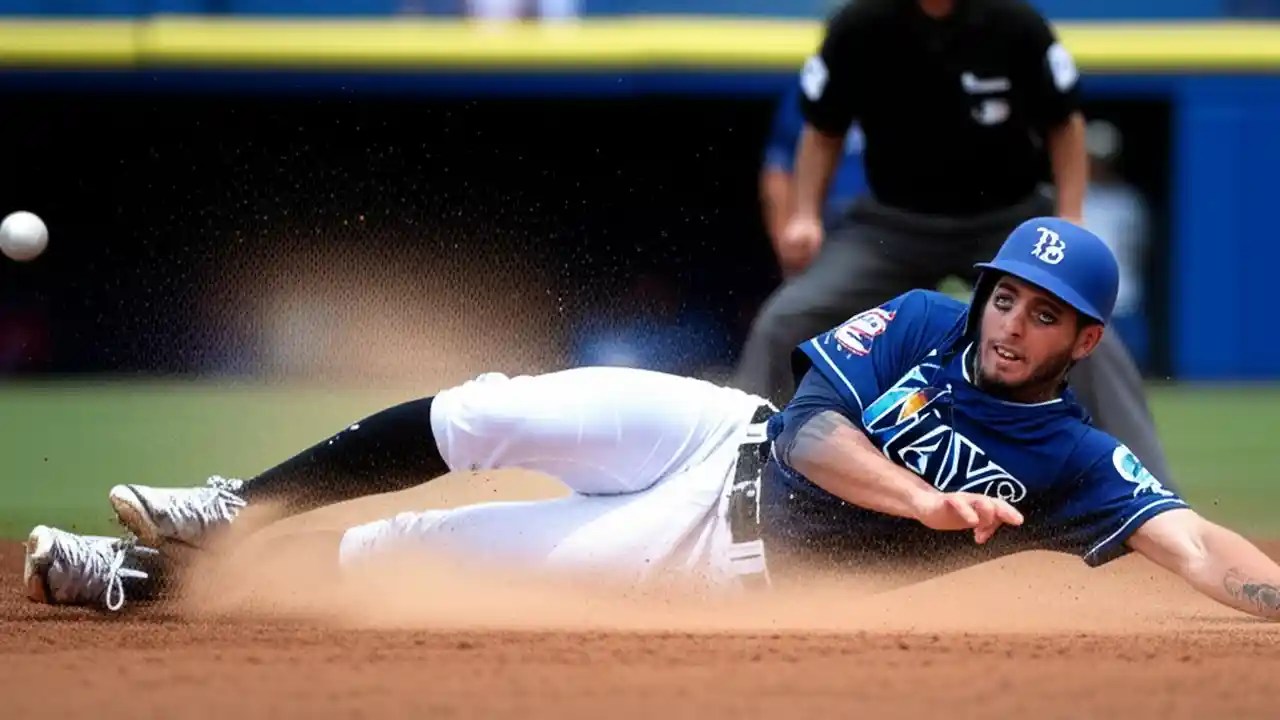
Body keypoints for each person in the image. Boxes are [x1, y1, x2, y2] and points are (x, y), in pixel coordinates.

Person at [22, 219, 1280, 622]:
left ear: (1082, 340)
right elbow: (801, 439)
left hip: (703, 560)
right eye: (1003, 292)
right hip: (711, 436)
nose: (1007, 321)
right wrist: (919, 501)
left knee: (394, 563)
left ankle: (132, 578)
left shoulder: (1070, 462)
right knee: (486, 411)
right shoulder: (912, 321)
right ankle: (228, 503)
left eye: (1039, 311)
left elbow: (1193, 546)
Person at [733, 0, 1176, 487]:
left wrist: (1069, 214)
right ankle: (738, 471)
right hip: (893, 224)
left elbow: (1064, 120)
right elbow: (823, 128)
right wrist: (804, 215)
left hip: (1008, 221)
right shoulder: (860, 25)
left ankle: (1152, 495)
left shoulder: (1013, 22)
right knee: (786, 319)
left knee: (1087, 332)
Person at [759, 83, 868, 279]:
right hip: (823, 232)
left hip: (888, 228)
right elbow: (778, 171)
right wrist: (790, 236)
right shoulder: (814, 84)